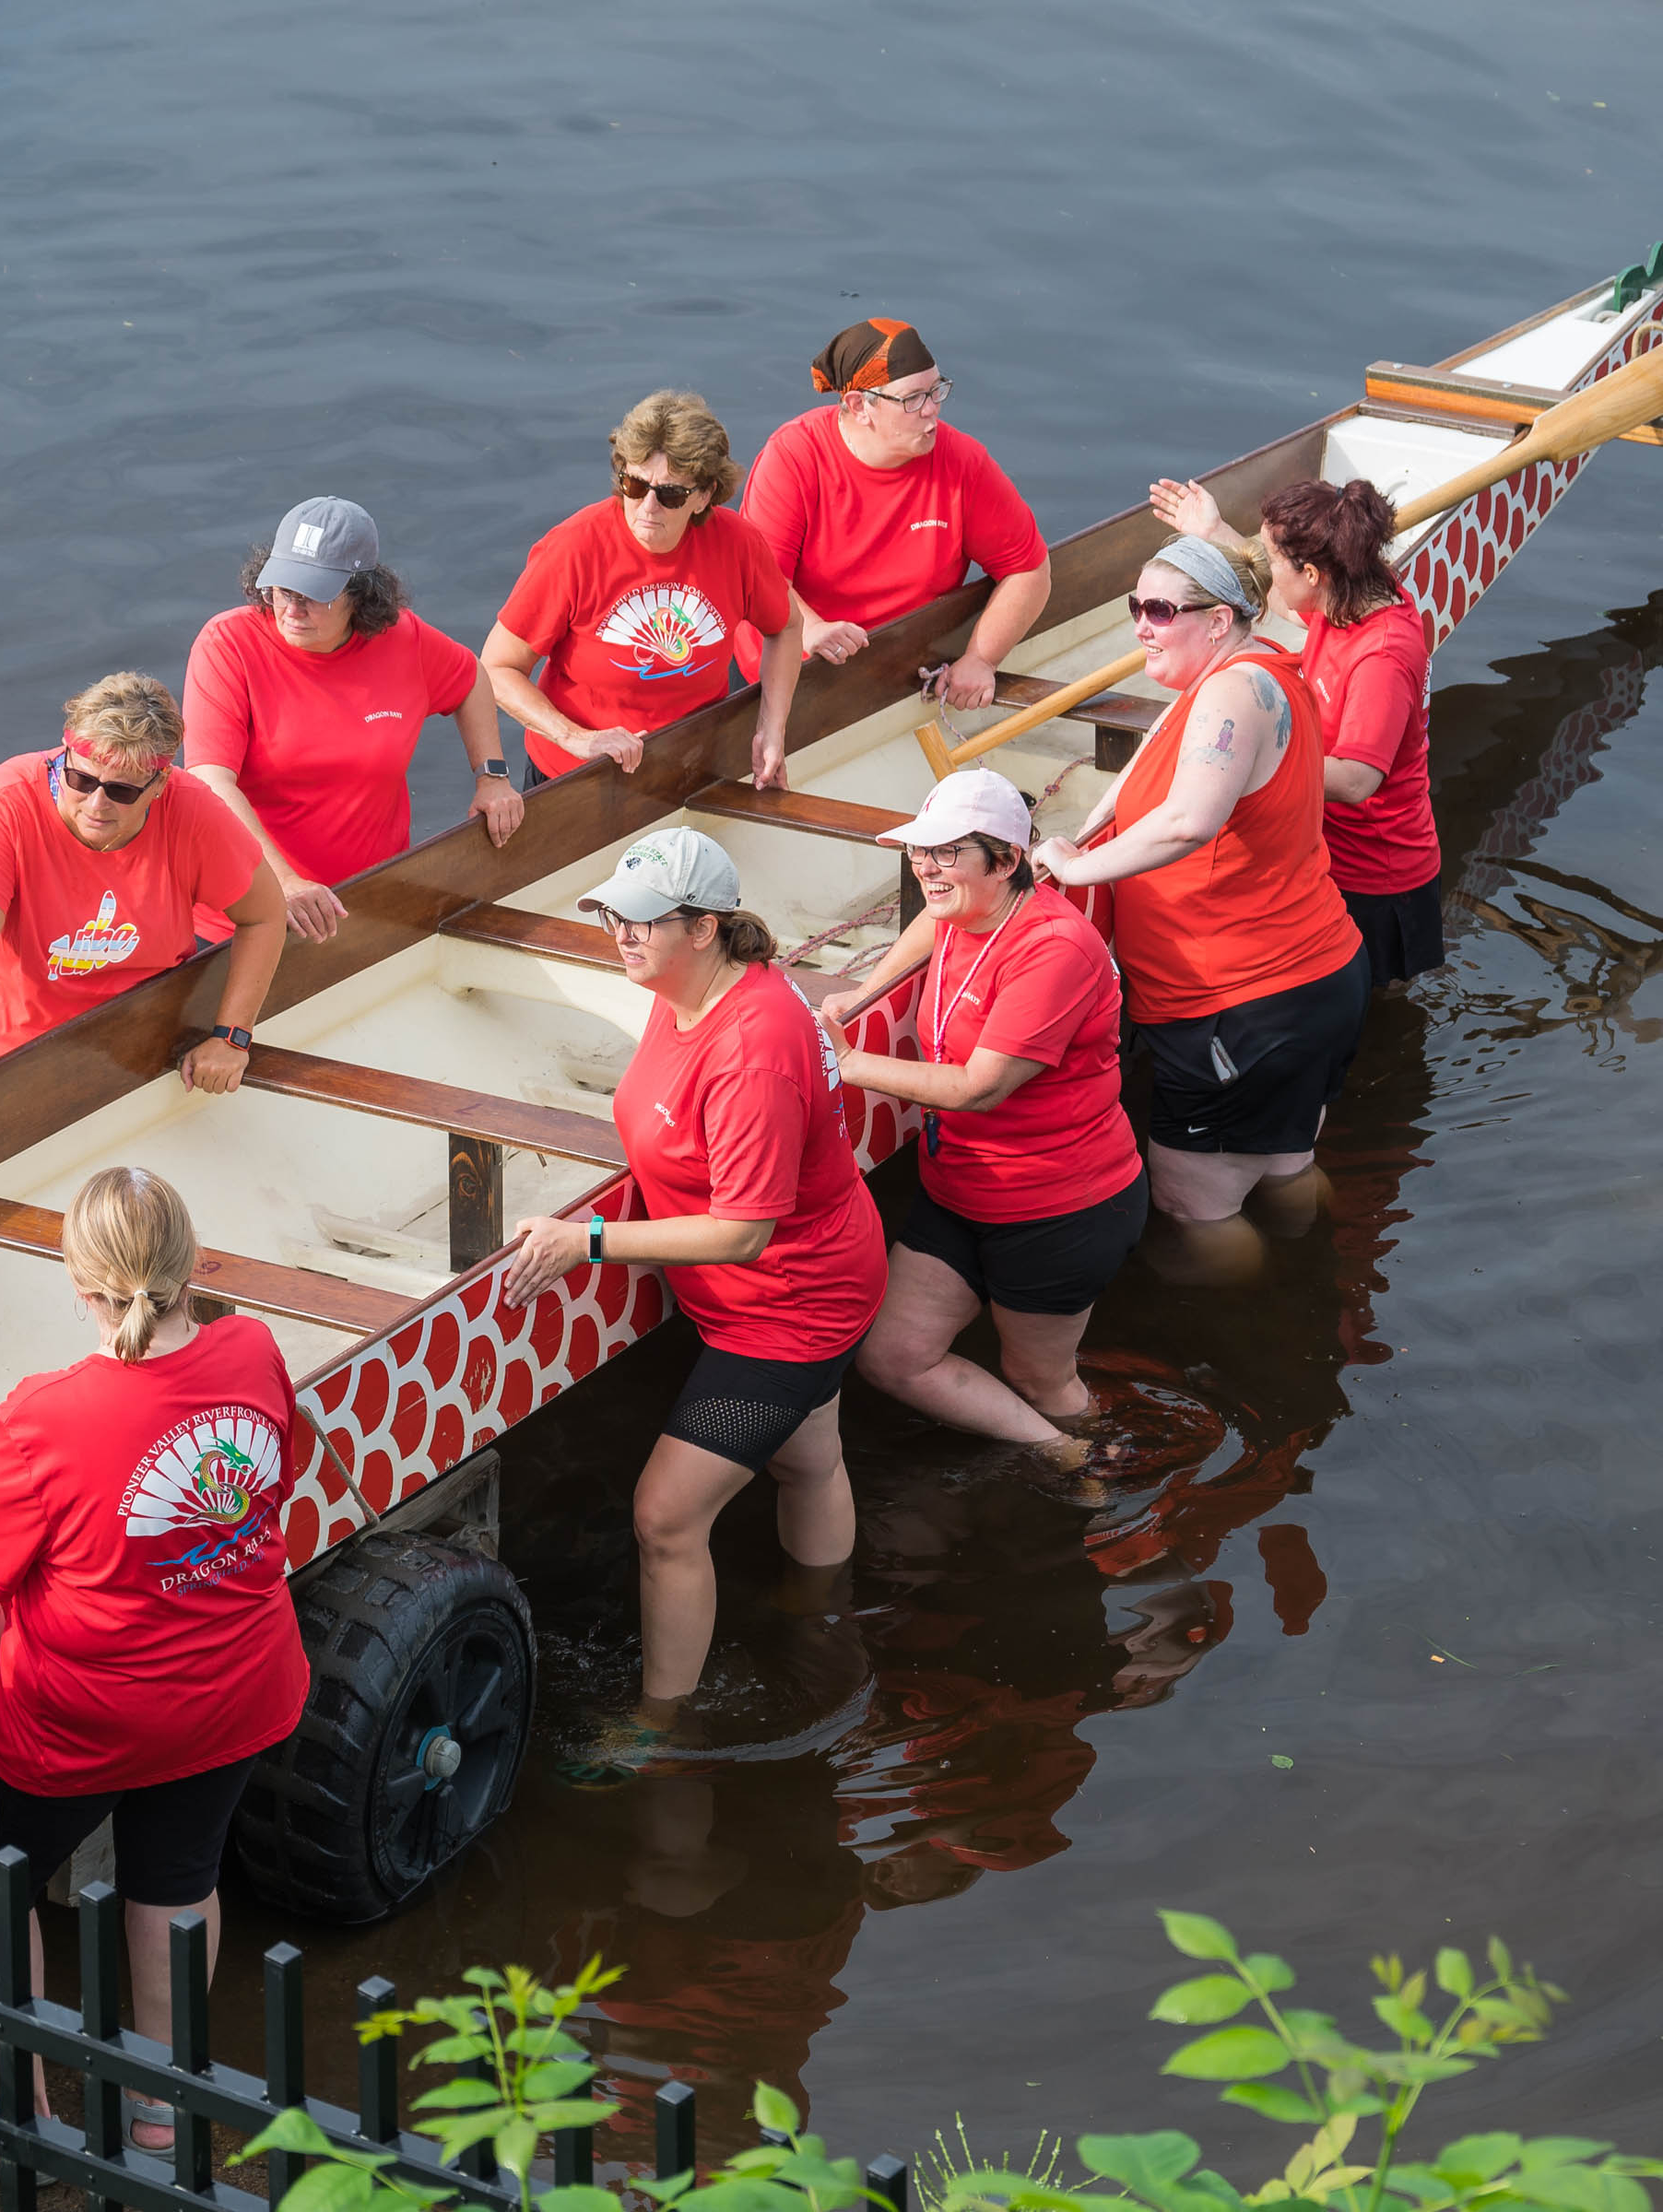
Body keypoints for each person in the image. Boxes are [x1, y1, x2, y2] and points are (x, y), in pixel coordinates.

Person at [0, 1168, 310, 2157]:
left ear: (76, 1284)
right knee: (175, 1874)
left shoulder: (46, 1412)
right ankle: (158, 2106)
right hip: (240, 1685)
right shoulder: (251, 1347)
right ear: (190, 1262)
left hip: (89, 1718)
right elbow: (277, 1467)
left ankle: (22, 2108)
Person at [500, 830, 885, 1769]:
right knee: (808, 1460)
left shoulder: (752, 1043)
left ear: (704, 928)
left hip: (789, 1300)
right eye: (607, 915)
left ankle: (659, 1727)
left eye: (637, 922)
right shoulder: (683, 995)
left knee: (665, 1518)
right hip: (770, 1283)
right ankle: (821, 1620)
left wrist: (582, 1241)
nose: (615, 934)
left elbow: (741, 1230)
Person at [1033, 537, 1368, 1283]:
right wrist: (1082, 830)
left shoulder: (1229, 694)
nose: (1140, 627)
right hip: (1312, 977)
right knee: (1283, 1162)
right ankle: (1314, 1271)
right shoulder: (1259, 671)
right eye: (1135, 608)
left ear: (1219, 621)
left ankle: (1253, 1328)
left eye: (1160, 611)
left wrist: (1076, 866)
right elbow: (1151, 771)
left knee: (1195, 1207)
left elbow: (1191, 820)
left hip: (1240, 1004)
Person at [817, 771, 1146, 1468]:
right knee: (894, 1357)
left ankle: (1114, 1467)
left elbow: (977, 1087)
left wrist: (850, 1064)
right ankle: (1058, 1451)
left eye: (945, 854)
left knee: (1040, 1378)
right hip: (959, 1189)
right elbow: (930, 918)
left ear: (1005, 861)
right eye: (917, 853)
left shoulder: (1053, 947)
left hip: (1057, 1207)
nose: (925, 869)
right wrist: (865, 990)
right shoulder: (969, 909)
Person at [0, 674, 286, 1114]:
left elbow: (264, 916)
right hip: (2, 1047)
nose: (97, 805)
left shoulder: (194, 812)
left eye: (121, 791)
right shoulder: (5, 799)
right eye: (80, 780)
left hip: (135, 1041)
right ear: (63, 757)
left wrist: (231, 1036)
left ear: (159, 786)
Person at [1148, 474, 1443, 988]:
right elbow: (1282, 595)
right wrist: (1215, 531)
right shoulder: (1348, 593)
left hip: (1377, 871)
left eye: (1273, 559)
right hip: (1329, 847)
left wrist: (1256, 760)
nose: (1262, 569)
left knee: (1374, 1010)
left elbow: (1355, 780)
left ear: (1312, 573)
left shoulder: (1383, 655)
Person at [183, 497, 521, 944]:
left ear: (361, 595)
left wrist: (492, 776)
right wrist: (281, 883)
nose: (291, 609)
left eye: (313, 595)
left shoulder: (404, 639)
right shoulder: (227, 644)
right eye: (283, 589)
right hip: (246, 918)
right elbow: (210, 782)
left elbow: (470, 678)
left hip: (374, 902)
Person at [481, 391, 799, 791]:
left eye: (669, 494)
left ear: (703, 496)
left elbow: (785, 627)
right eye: (634, 484)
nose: (648, 506)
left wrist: (771, 731)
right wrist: (575, 738)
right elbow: (496, 668)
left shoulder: (738, 545)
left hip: (696, 766)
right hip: (577, 777)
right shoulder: (573, 549)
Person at [736, 318, 1054, 702]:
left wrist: (981, 658)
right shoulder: (792, 459)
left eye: (937, 390)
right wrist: (811, 630)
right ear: (859, 406)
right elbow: (758, 581)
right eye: (912, 399)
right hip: (799, 668)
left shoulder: (963, 462)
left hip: (905, 671)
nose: (932, 409)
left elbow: (1028, 568)